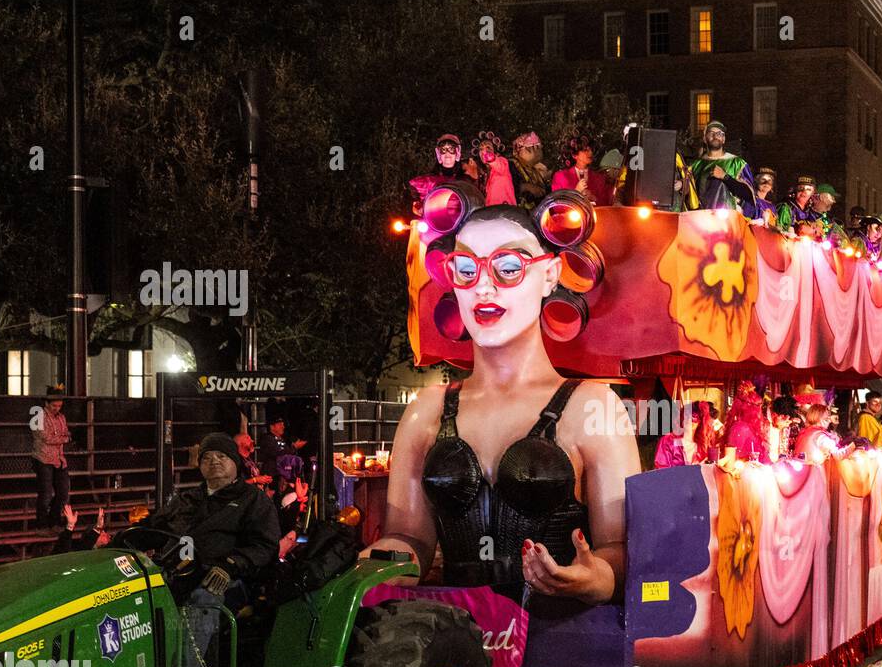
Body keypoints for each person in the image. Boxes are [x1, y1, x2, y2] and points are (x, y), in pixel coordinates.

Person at [368, 194, 640, 610]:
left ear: (550, 275)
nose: (484, 286)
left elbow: (619, 550)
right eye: (466, 269)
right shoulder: (427, 410)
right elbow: (409, 540)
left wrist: (592, 576)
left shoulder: (593, 407)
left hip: (563, 648)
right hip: (456, 651)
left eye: (509, 268)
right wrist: (375, 566)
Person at [128, 433, 281, 667]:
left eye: (222, 456)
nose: (214, 462)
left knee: (202, 600)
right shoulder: (187, 500)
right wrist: (123, 542)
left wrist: (230, 565)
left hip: (228, 581)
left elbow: (264, 546)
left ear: (235, 462)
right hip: (178, 575)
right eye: (207, 458)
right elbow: (153, 530)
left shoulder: (253, 501)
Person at [686, 121, 756, 215]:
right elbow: (689, 195)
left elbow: (748, 196)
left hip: (728, 220)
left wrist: (725, 177)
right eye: (711, 133)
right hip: (700, 219)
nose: (715, 136)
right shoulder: (695, 165)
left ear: (723, 139)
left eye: (719, 134)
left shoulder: (737, 163)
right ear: (705, 138)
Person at [31, 384, 72, 530]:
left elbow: (63, 434)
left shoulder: (61, 417)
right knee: (46, 494)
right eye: (54, 405)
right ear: (46, 403)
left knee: (62, 493)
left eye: (59, 405)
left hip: (59, 459)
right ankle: (42, 524)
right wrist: (64, 438)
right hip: (43, 459)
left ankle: (54, 522)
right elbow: (46, 437)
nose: (57, 408)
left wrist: (60, 437)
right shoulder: (38, 416)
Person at [551, 134, 613, 206]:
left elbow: (608, 204)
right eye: (585, 150)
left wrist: (593, 198)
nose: (590, 153)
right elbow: (556, 206)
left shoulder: (599, 178)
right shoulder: (560, 177)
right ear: (574, 155)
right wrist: (576, 192)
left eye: (591, 149)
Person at [653, 401, 716, 468]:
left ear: (700, 423)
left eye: (694, 418)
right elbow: (661, 471)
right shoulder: (668, 441)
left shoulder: (703, 447)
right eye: (686, 415)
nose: (688, 420)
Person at [721, 382, 771, 463]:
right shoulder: (741, 428)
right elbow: (733, 461)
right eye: (758, 407)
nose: (760, 411)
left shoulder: (750, 428)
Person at [473, 132, 516, 207]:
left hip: (506, 214)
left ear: (497, 153)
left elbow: (498, 164)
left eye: (488, 148)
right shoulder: (483, 174)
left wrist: (489, 157)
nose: (484, 151)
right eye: (481, 149)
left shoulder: (503, 164)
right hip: (491, 215)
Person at [509, 131, 550, 210]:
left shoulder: (536, 170)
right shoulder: (511, 165)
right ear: (519, 151)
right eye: (530, 148)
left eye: (538, 147)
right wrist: (526, 187)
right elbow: (507, 188)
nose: (537, 151)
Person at [258, 416, 306, 481]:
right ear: (272, 426)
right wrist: (294, 447)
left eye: (283, 425)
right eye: (280, 425)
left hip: (283, 474)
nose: (283, 427)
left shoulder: (282, 439)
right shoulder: (267, 439)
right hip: (273, 476)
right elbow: (279, 453)